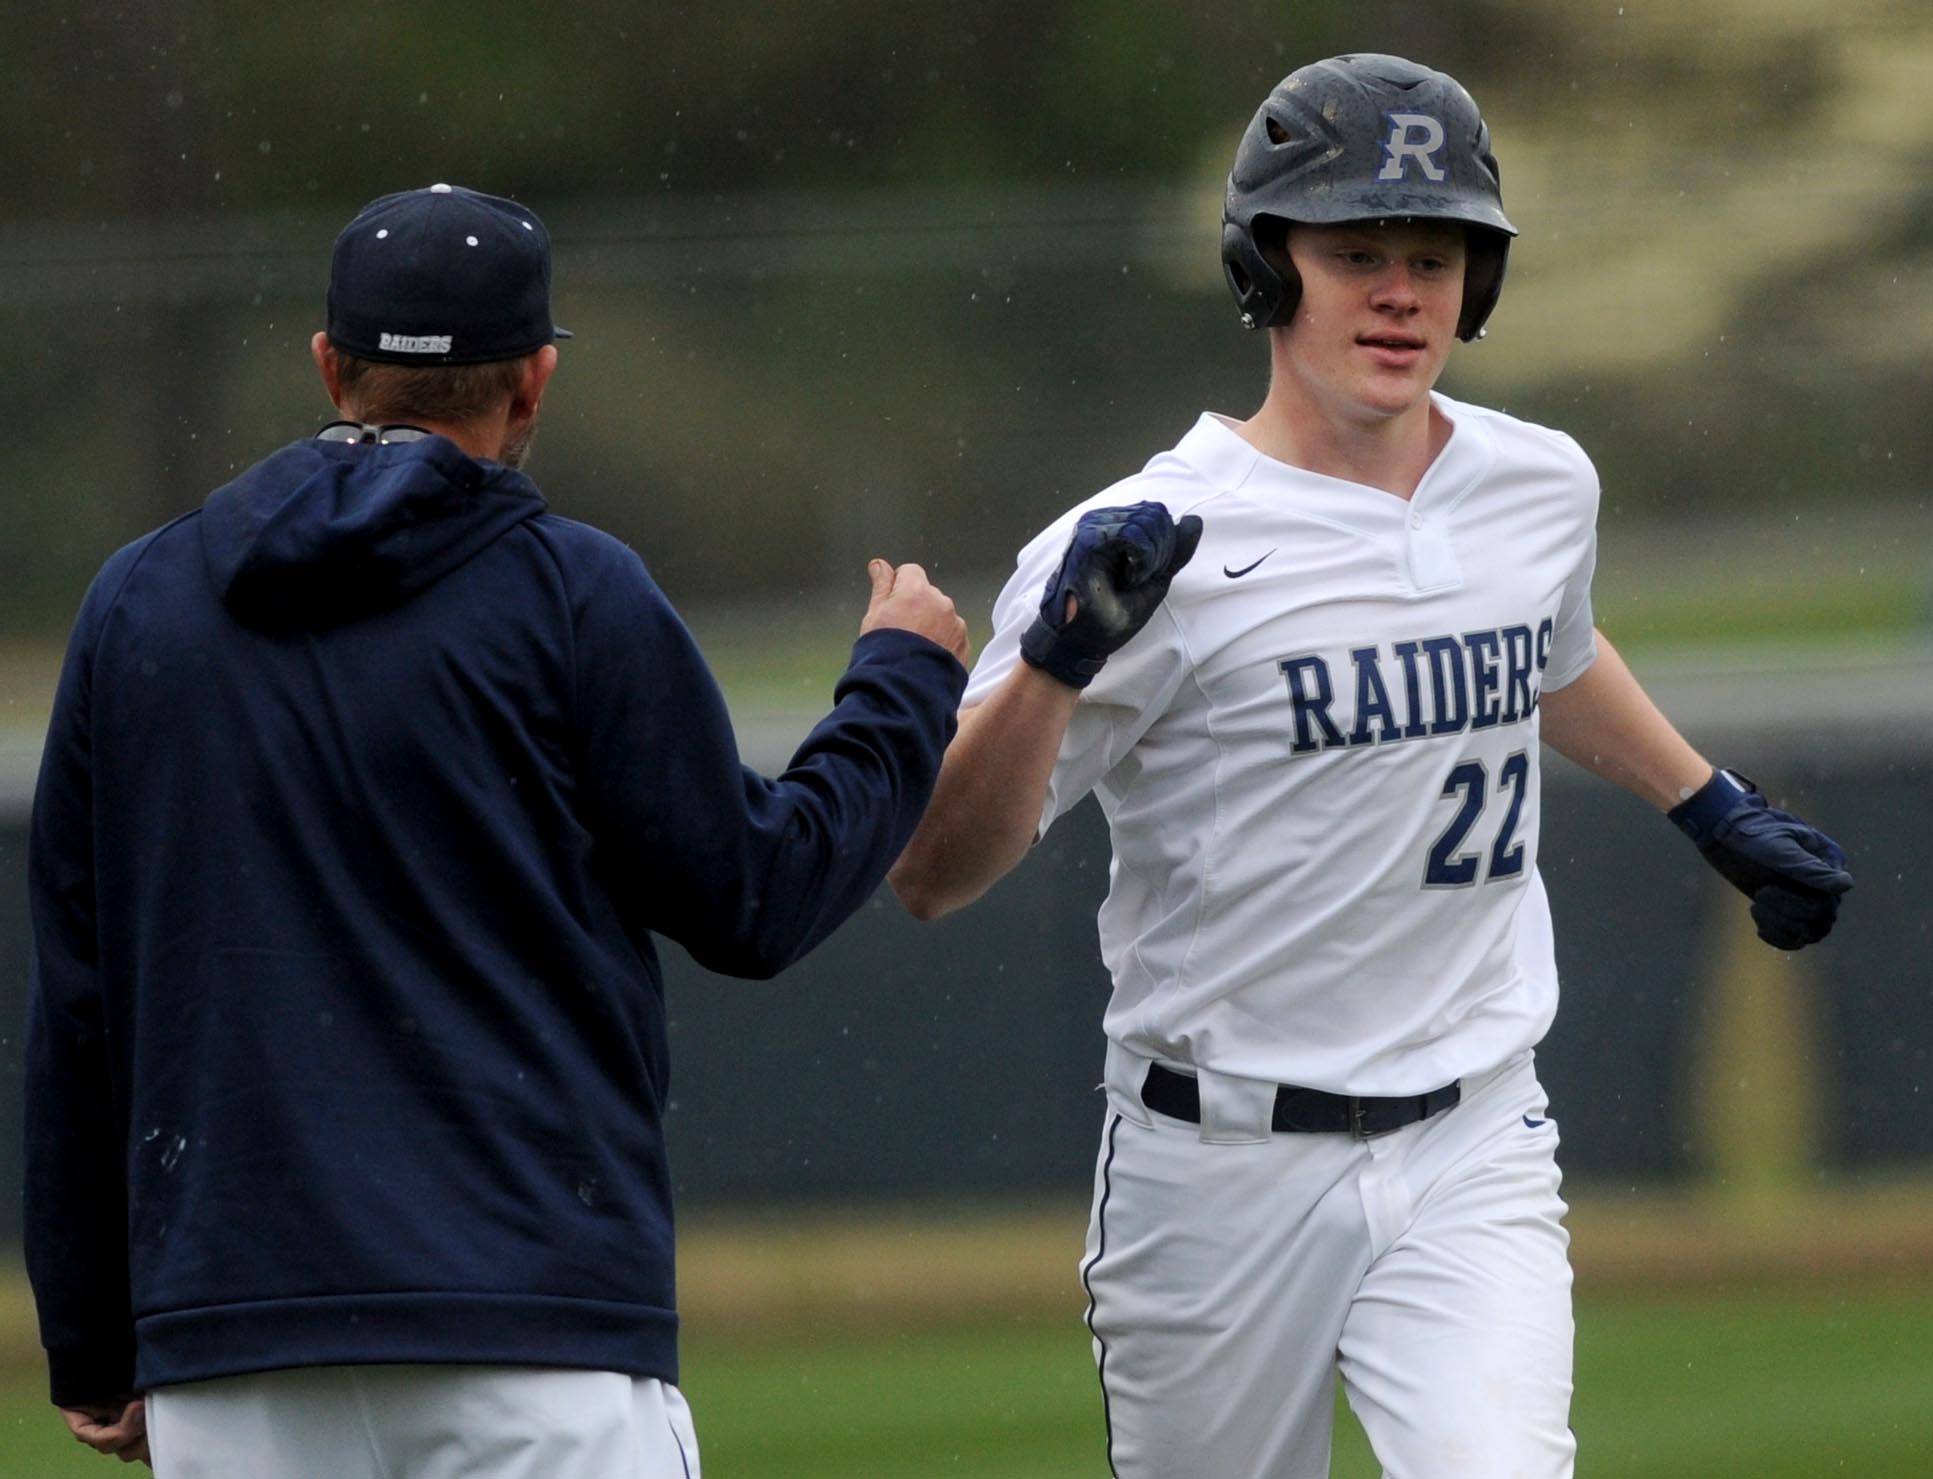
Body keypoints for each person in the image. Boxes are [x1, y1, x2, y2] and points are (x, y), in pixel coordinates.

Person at [888, 53, 1853, 1479]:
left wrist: (1703, 802)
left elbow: (1549, 652)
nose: (1400, 292)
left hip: (1472, 1133)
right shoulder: (1149, 539)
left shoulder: (1538, 485)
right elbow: (930, 872)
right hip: (1213, 1165)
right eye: (1352, 252)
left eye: (1435, 253)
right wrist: (1052, 660)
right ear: (1263, 269)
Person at [25, 181, 971, 1477]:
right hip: (532, 1323)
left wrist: (93, 1338)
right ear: (530, 380)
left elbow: (79, 1010)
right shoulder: (572, 594)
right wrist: (899, 687)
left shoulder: (136, 606)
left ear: (326, 364)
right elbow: (759, 897)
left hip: (235, 1348)